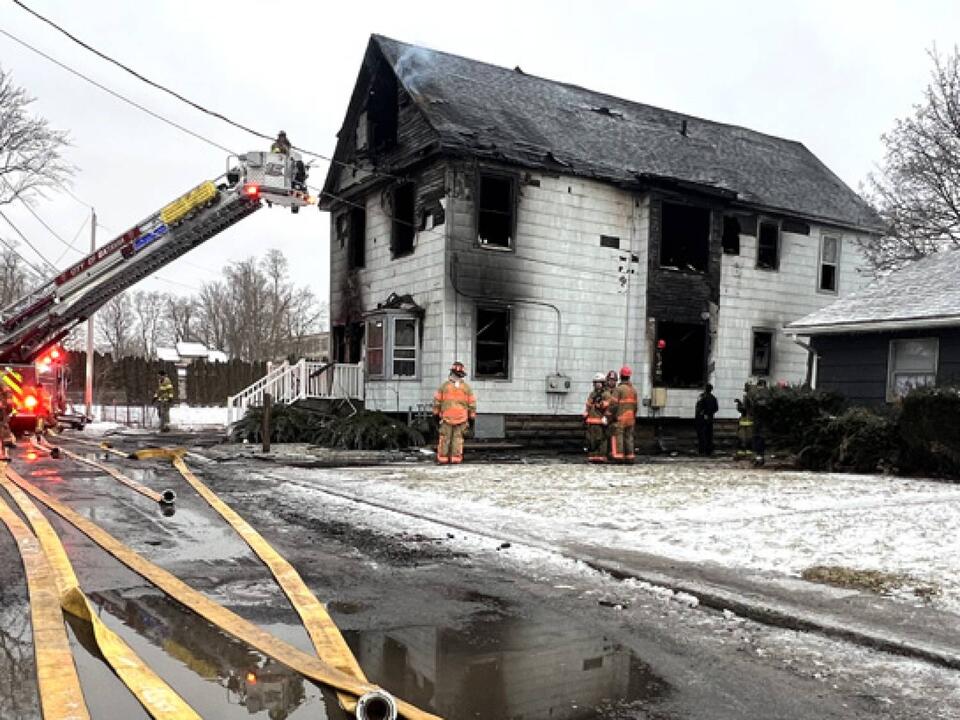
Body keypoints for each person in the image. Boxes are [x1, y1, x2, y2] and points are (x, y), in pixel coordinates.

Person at [432, 361, 477, 465]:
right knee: (457, 439)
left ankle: (443, 459)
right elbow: (472, 404)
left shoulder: (444, 387)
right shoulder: (466, 388)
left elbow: (437, 402)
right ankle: (455, 459)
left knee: (445, 439)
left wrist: (435, 415)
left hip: (446, 418)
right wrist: (472, 418)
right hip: (461, 418)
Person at [608, 365, 638, 463]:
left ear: (621, 376)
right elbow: (635, 406)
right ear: (629, 376)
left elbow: (613, 405)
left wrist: (608, 416)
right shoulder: (633, 390)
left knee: (618, 437)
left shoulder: (618, 389)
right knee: (629, 437)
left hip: (620, 418)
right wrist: (633, 416)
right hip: (631, 418)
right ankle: (630, 457)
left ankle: (619, 457)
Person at [582, 372, 610, 463]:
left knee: (601, 440)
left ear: (603, 383)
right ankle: (592, 457)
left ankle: (601, 456)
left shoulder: (606, 394)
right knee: (591, 441)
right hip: (591, 422)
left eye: (599, 382)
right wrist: (586, 413)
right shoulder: (592, 394)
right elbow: (588, 405)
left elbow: (609, 407)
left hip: (600, 422)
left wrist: (605, 416)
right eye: (596, 382)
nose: (597, 384)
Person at [694, 383, 719, 456]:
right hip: (710, 419)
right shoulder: (713, 398)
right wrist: (710, 414)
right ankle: (708, 451)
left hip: (702, 419)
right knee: (709, 435)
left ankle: (702, 450)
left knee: (701, 435)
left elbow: (699, 407)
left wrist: (702, 413)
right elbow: (716, 408)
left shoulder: (702, 397)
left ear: (705, 389)